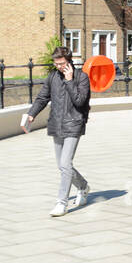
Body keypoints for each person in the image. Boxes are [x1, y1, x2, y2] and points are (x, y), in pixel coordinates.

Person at [20, 46, 91, 217]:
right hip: (56, 125)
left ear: (69, 61)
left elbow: (80, 102)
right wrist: (31, 114)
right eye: (56, 63)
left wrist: (69, 80)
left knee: (65, 163)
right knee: (62, 165)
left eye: (62, 63)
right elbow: (42, 97)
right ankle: (83, 187)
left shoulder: (82, 77)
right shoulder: (52, 77)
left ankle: (61, 203)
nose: (59, 66)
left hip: (74, 124)